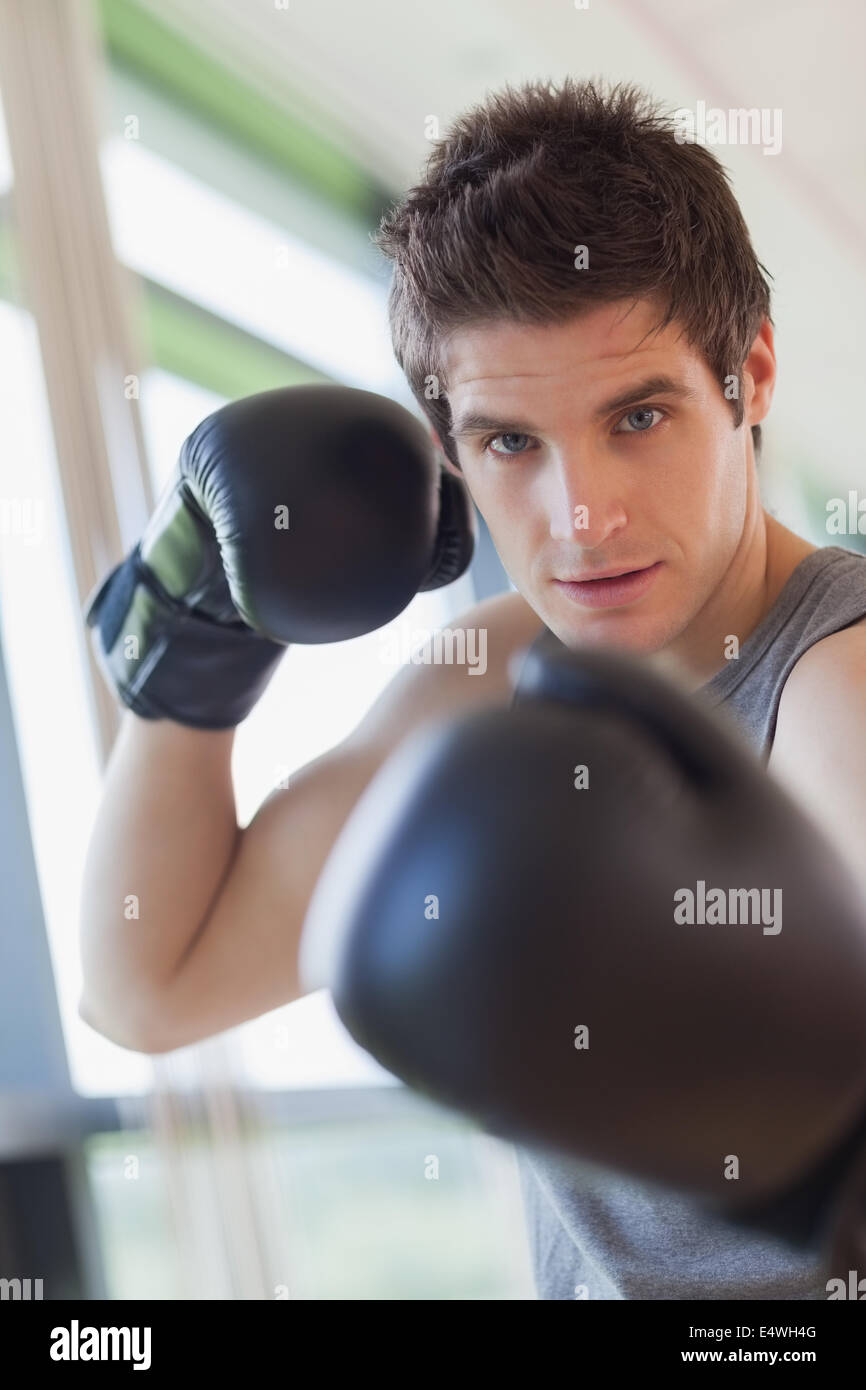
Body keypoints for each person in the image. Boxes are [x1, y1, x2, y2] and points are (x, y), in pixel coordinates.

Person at [78, 77, 866, 1300]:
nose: (581, 516)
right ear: (445, 449)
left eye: (639, 414)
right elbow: (150, 985)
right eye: (511, 442)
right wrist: (195, 626)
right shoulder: (488, 673)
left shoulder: (837, 675)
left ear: (746, 376)